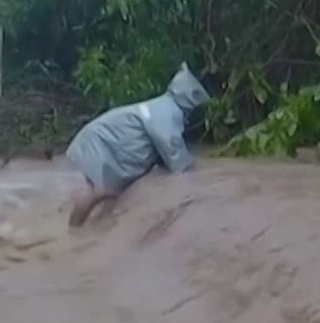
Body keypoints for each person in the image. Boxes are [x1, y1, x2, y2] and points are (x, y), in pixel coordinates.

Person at [64, 63, 213, 227]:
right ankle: (74, 230)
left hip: (102, 139)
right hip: (100, 140)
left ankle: (90, 230)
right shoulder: (167, 111)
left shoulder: (164, 105)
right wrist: (191, 169)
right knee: (98, 190)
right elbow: (170, 147)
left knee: (111, 192)